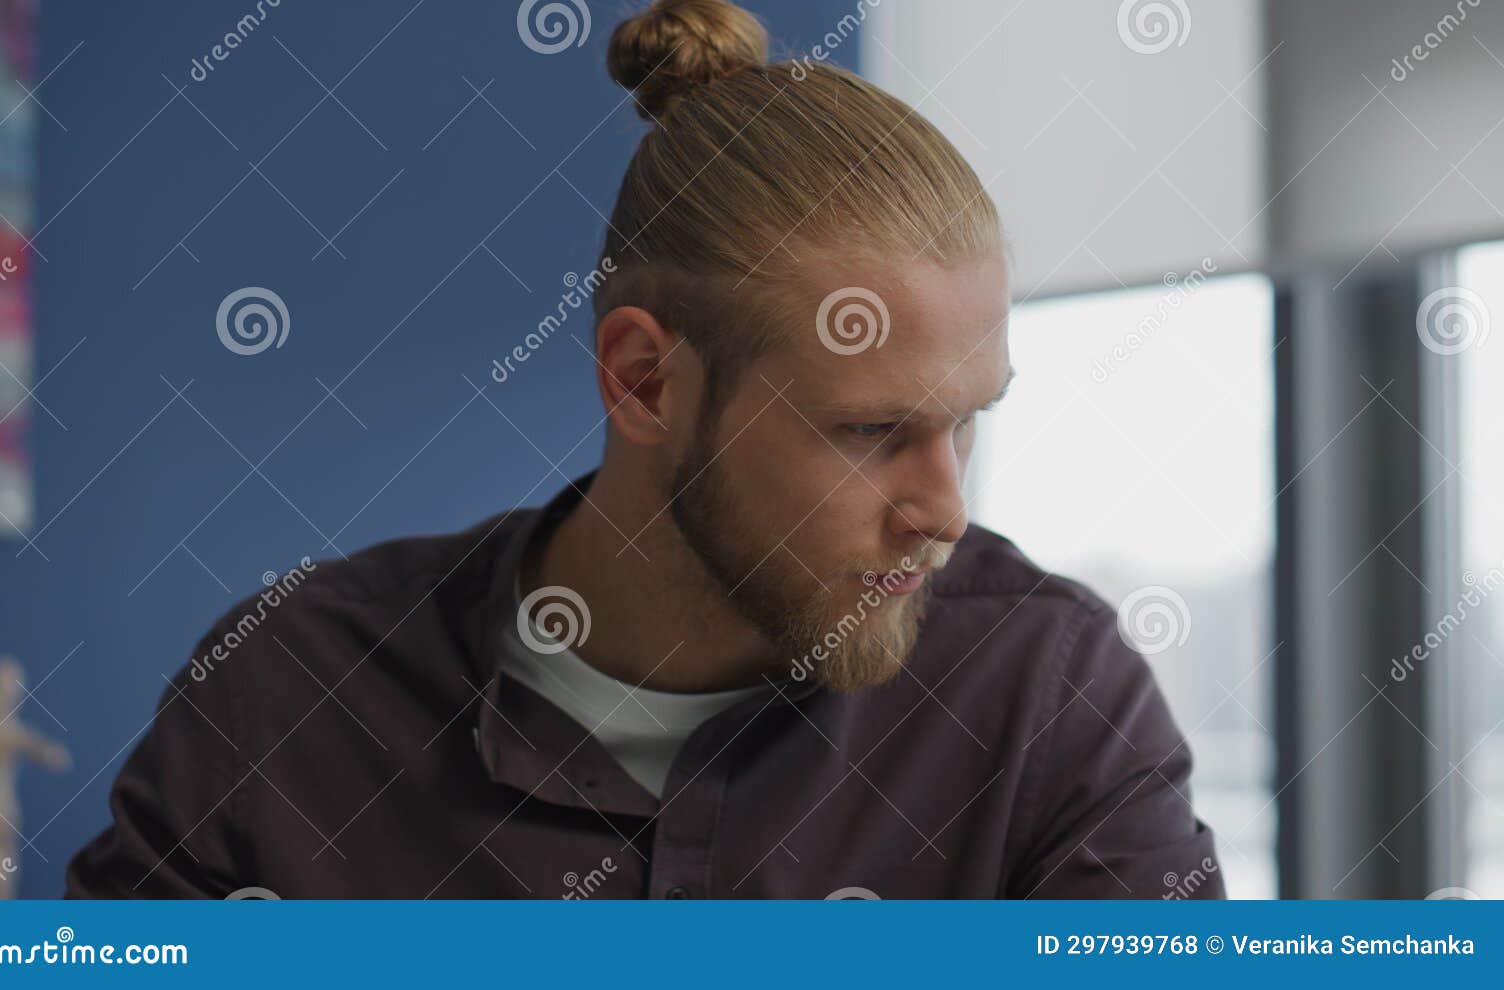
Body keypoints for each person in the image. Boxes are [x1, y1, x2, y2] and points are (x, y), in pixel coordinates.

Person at [66, 0, 1224, 899]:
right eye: (872, 430)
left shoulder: (1047, 694)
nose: (944, 508)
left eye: (969, 418)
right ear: (644, 380)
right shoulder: (288, 698)